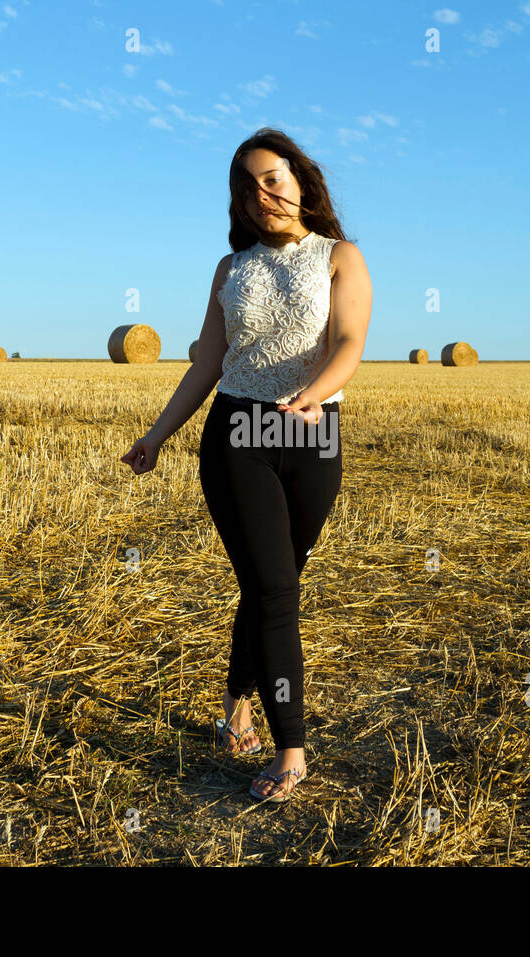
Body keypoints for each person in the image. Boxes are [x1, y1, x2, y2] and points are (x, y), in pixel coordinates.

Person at [120, 128, 372, 802]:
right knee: (277, 591)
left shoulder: (340, 256)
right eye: (248, 187)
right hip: (238, 431)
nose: (263, 195)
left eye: (272, 178)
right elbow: (207, 360)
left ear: (300, 178)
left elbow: (349, 342)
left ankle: (235, 698)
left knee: (273, 583)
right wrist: (157, 434)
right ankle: (292, 748)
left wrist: (312, 397)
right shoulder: (231, 270)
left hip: (315, 434)